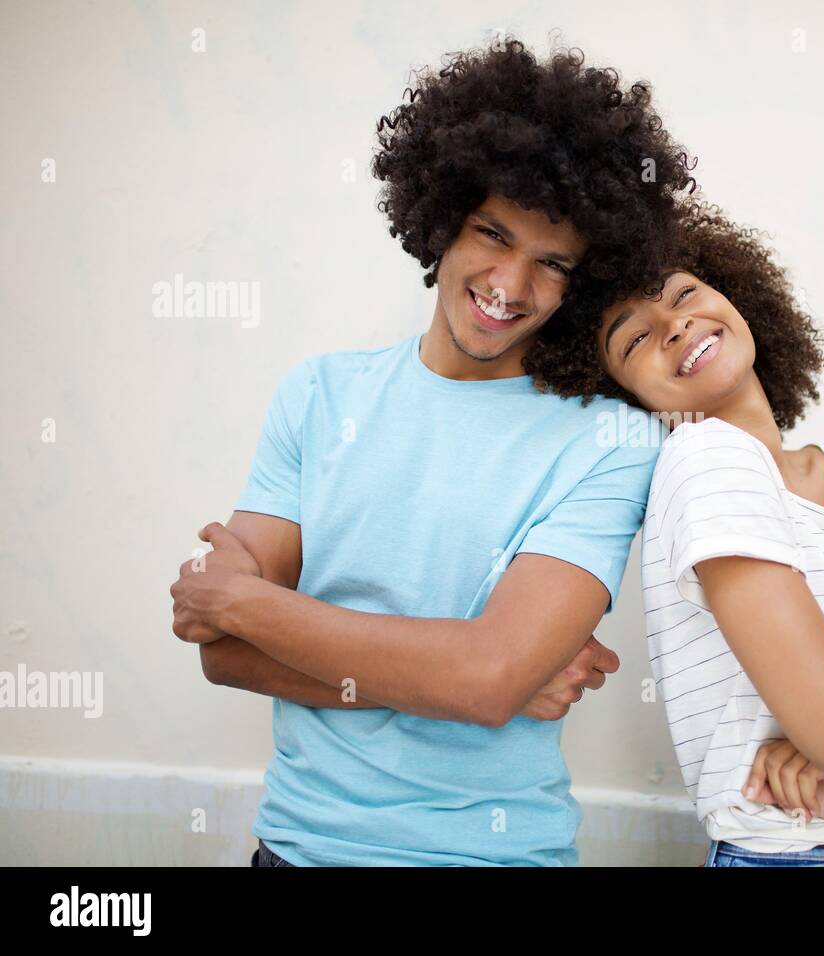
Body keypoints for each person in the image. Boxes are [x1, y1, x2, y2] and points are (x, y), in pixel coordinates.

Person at [168, 37, 696, 866]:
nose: (511, 286)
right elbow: (223, 657)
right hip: (296, 850)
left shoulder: (610, 440)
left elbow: (483, 680)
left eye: (552, 264)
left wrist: (242, 601)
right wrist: (475, 678)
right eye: (492, 233)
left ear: (584, 282)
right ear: (440, 214)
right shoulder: (318, 397)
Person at [527, 201, 824, 866]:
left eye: (685, 294)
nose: (674, 325)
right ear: (623, 397)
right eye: (634, 339)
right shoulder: (705, 460)